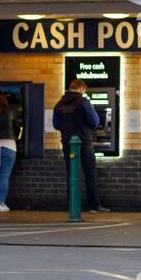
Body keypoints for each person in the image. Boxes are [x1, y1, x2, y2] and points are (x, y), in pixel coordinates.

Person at [53, 79, 109, 213]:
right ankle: (93, 205)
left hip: (67, 143)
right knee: (90, 174)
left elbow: (56, 125)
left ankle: (72, 205)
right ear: (81, 89)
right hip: (84, 143)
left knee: (71, 174)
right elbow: (95, 122)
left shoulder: (59, 104)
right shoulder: (84, 102)